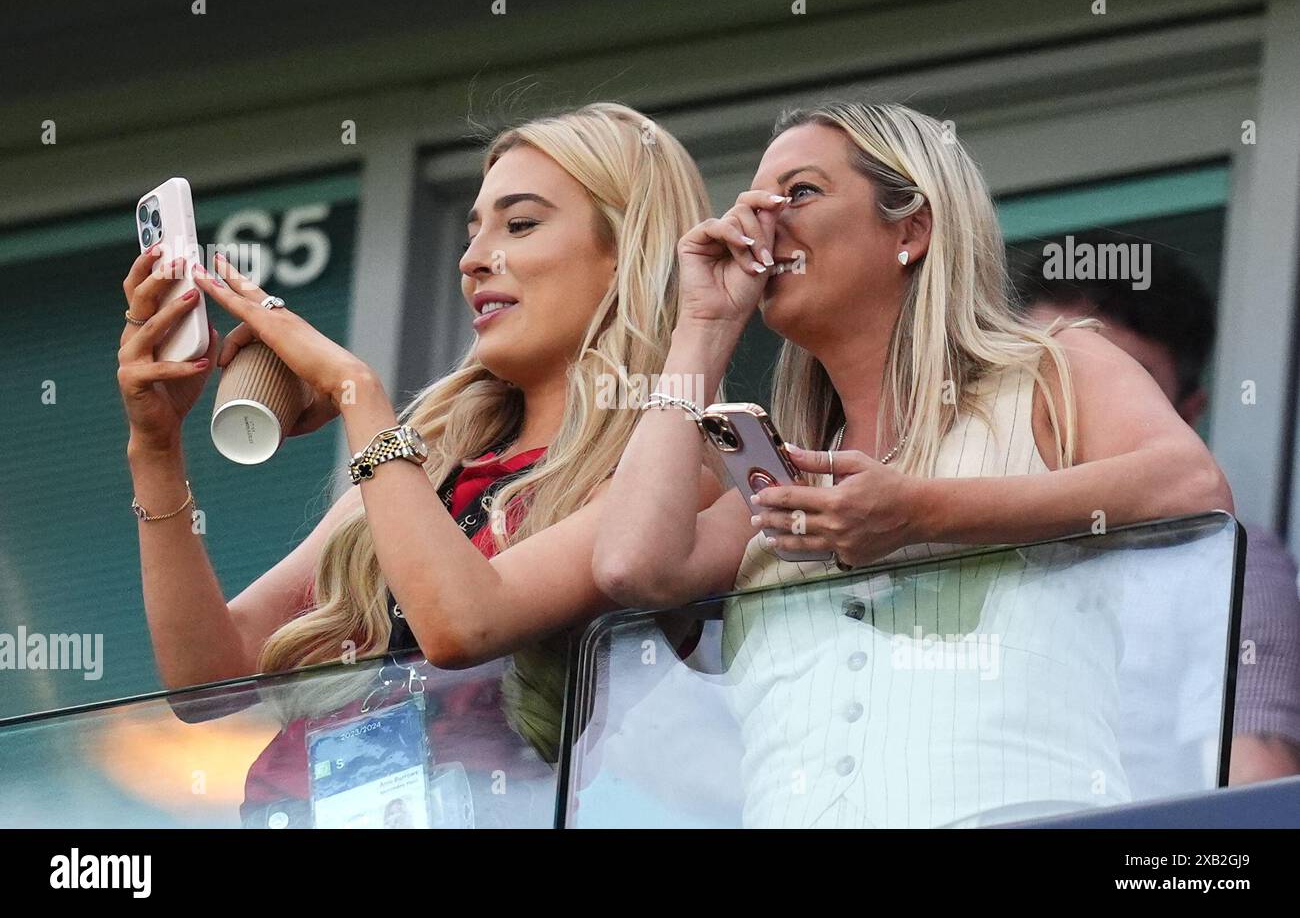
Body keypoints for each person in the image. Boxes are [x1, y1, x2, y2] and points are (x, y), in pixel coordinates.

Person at [592, 101, 1234, 827]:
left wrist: (917, 512)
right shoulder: (788, 476)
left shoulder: (1053, 371)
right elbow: (630, 567)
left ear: (912, 229)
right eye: (754, 202)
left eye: (799, 192)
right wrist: (703, 328)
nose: (762, 224)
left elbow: (1192, 486)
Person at [116, 102, 716, 775]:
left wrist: (352, 389)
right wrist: (157, 448)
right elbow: (209, 682)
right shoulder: (432, 462)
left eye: (519, 225)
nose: (472, 261)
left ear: (625, 252)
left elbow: (463, 627)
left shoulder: (673, 473)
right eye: (472, 232)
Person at [1019, 231, 1300, 787]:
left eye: (1128, 390)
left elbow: (1253, 803)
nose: (1072, 410)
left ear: (1187, 414)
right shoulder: (916, 547)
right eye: (1045, 373)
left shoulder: (1223, 561)